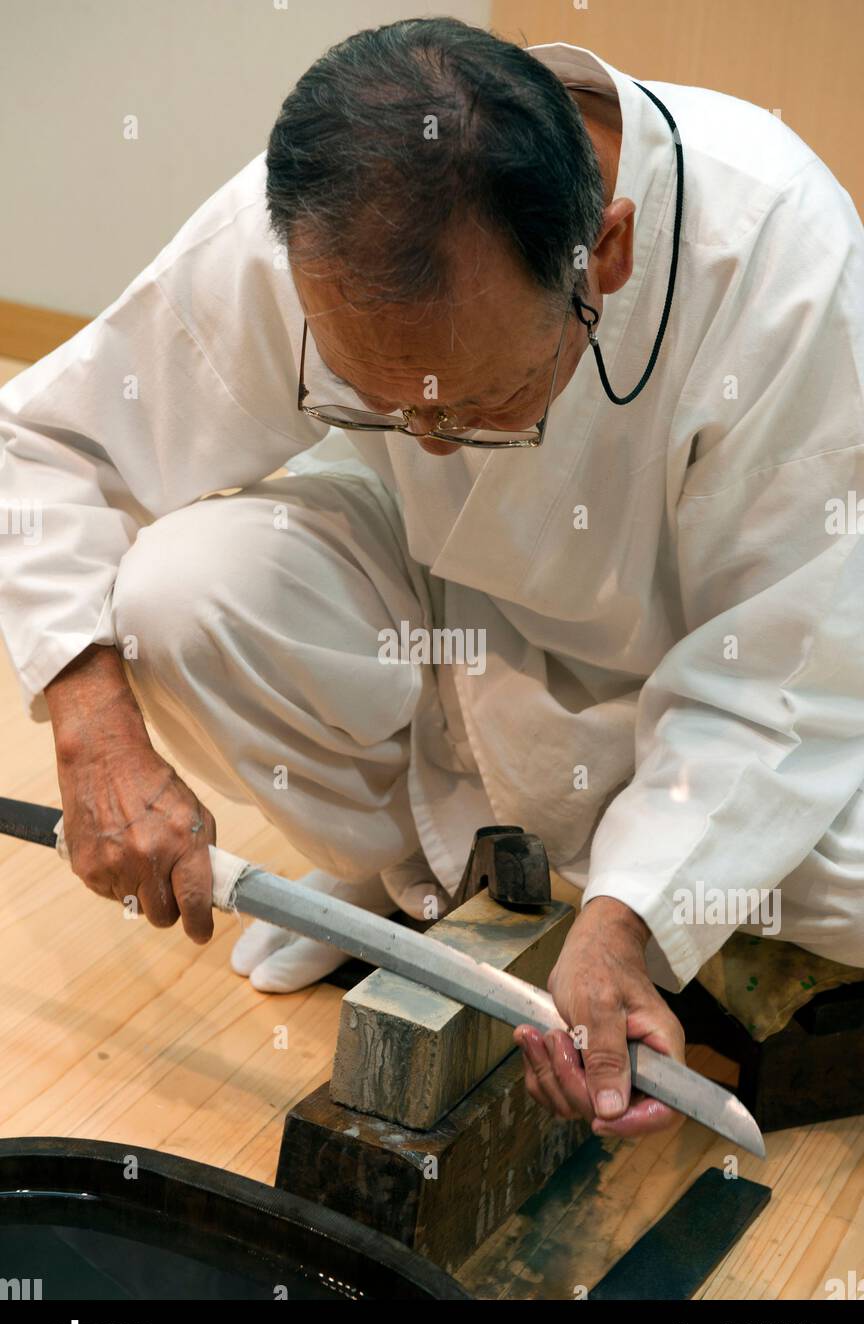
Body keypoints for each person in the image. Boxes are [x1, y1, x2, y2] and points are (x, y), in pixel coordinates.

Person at [1, 19, 862, 1146]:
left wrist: (633, 917)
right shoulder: (323, 218)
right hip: (444, 633)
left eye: (477, 405)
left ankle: (607, 916)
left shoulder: (781, 256)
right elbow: (51, 446)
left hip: (717, 671)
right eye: (391, 405)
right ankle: (434, 905)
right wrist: (93, 728)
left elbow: (788, 669)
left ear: (604, 254)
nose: (434, 444)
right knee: (181, 597)